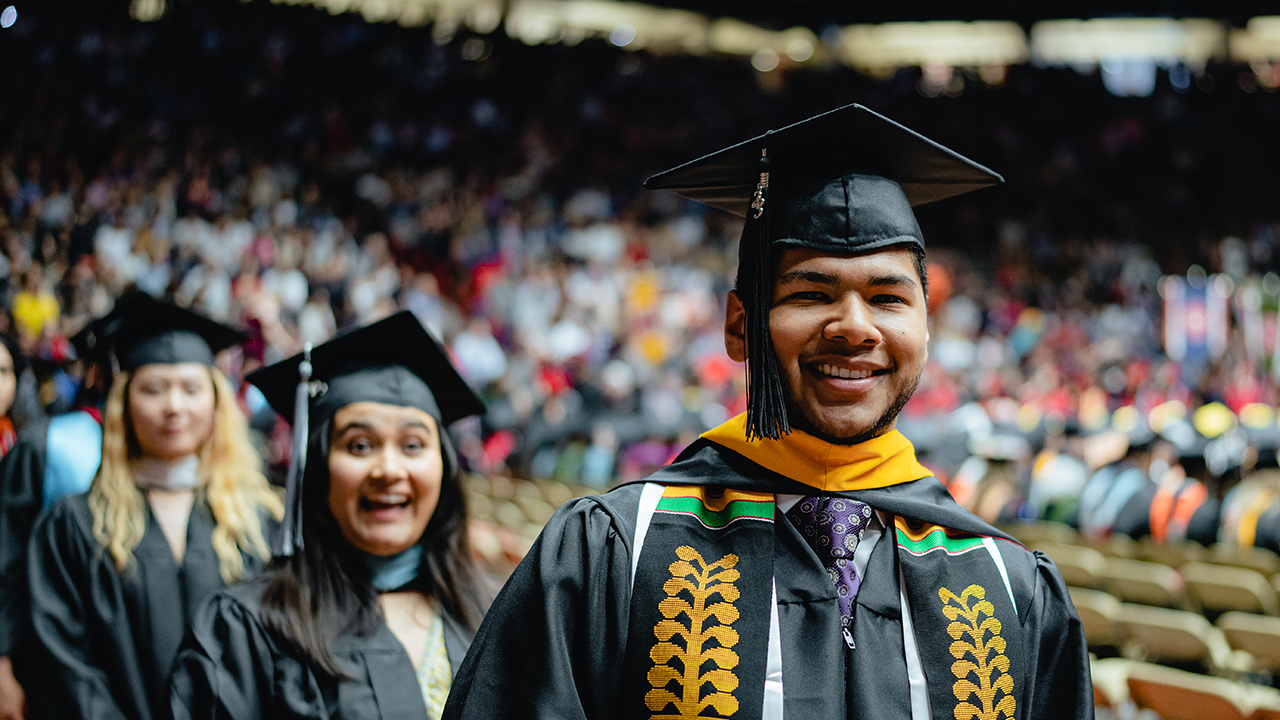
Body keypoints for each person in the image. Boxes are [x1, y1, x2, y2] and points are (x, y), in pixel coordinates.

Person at [443, 104, 1091, 720]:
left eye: (889, 299)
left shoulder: (1007, 584)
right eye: (812, 292)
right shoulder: (616, 552)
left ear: (927, 328)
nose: (854, 327)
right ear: (740, 326)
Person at [170, 310, 487, 720]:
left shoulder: (491, 614)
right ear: (316, 468)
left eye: (413, 445)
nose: (389, 470)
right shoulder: (246, 630)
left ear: (444, 468)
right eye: (359, 445)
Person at [23, 293, 283, 720]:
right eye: (153, 389)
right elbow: (62, 660)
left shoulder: (257, 518)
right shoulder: (75, 523)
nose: (174, 407)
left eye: (191, 388)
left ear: (217, 406)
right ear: (124, 405)